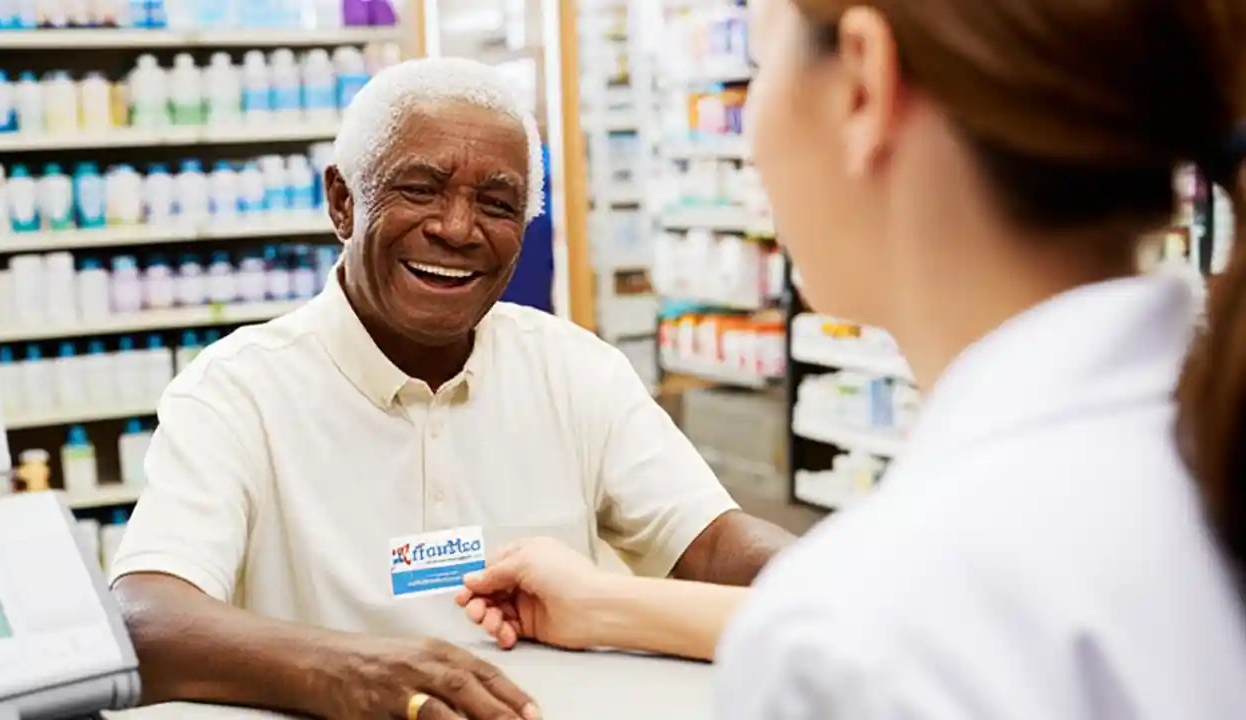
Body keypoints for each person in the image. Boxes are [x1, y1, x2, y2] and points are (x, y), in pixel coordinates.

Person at [457, 0, 1246, 717]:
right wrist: (601, 603)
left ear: (863, 84)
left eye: (762, 67)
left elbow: (893, 623)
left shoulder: (856, 641)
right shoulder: (1189, 451)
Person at [109, 57, 794, 720]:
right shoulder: (237, 391)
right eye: (418, 189)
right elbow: (145, 615)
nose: (457, 228)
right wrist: (346, 673)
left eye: (496, 203)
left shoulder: (574, 371)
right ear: (343, 202)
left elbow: (714, 546)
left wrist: (849, 572)